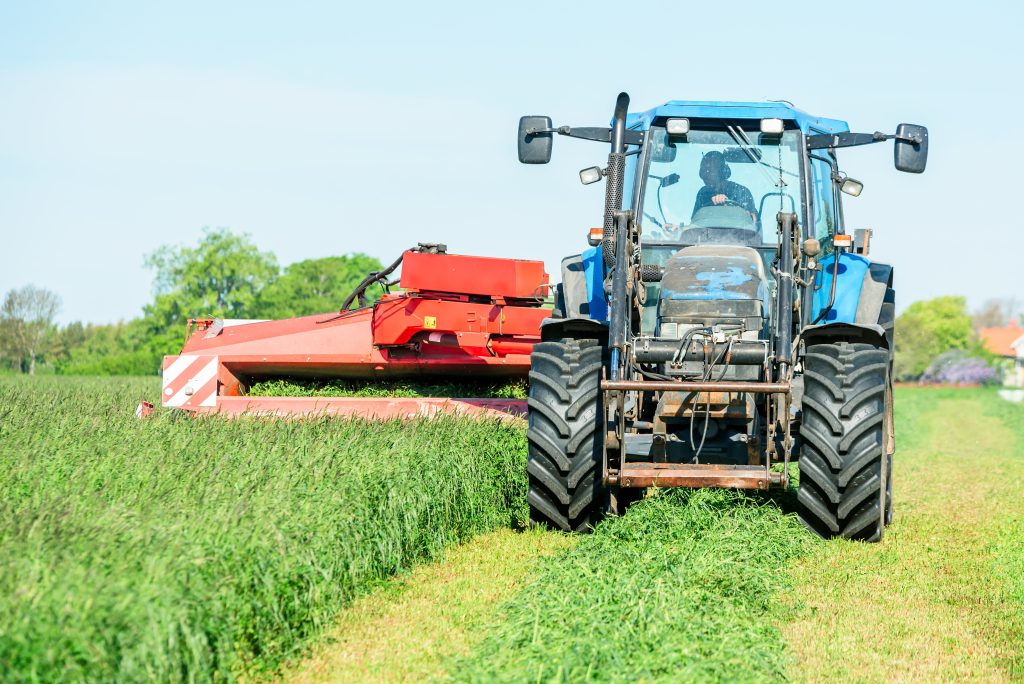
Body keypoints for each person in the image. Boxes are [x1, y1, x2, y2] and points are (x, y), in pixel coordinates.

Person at [691, 151, 757, 220]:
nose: (704, 175)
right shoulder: (703, 193)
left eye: (709, 170)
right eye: (703, 171)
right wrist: (683, 228)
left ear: (722, 171)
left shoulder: (741, 192)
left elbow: (753, 220)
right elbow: (695, 222)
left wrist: (729, 206)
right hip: (708, 231)